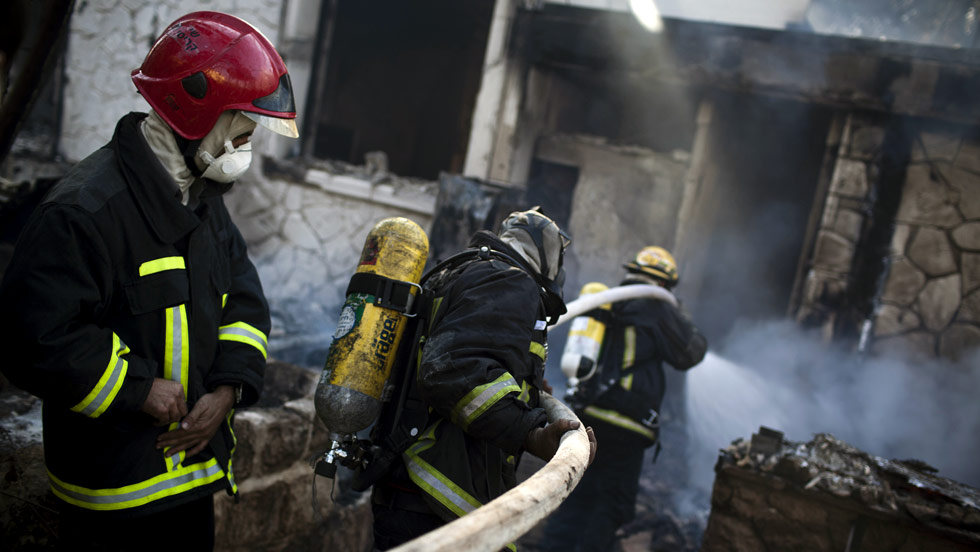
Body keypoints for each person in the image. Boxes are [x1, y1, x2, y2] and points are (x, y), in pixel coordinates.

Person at [0, 11, 298, 550]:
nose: (247, 145)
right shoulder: (83, 212)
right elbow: (31, 339)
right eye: (242, 129)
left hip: (191, 482)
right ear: (195, 115)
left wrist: (228, 389)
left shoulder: (204, 199)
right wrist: (135, 389)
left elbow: (245, 301)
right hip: (114, 496)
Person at [368, 207, 597, 550]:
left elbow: (468, 353)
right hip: (439, 487)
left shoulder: (465, 272)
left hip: (406, 485)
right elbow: (454, 371)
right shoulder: (509, 280)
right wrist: (531, 434)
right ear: (547, 254)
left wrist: (529, 393)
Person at [539, 246, 707, 552]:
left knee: (577, 496)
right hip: (626, 422)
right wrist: (679, 314)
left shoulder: (608, 302)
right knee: (612, 504)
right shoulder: (658, 309)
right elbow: (692, 352)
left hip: (588, 417)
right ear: (664, 284)